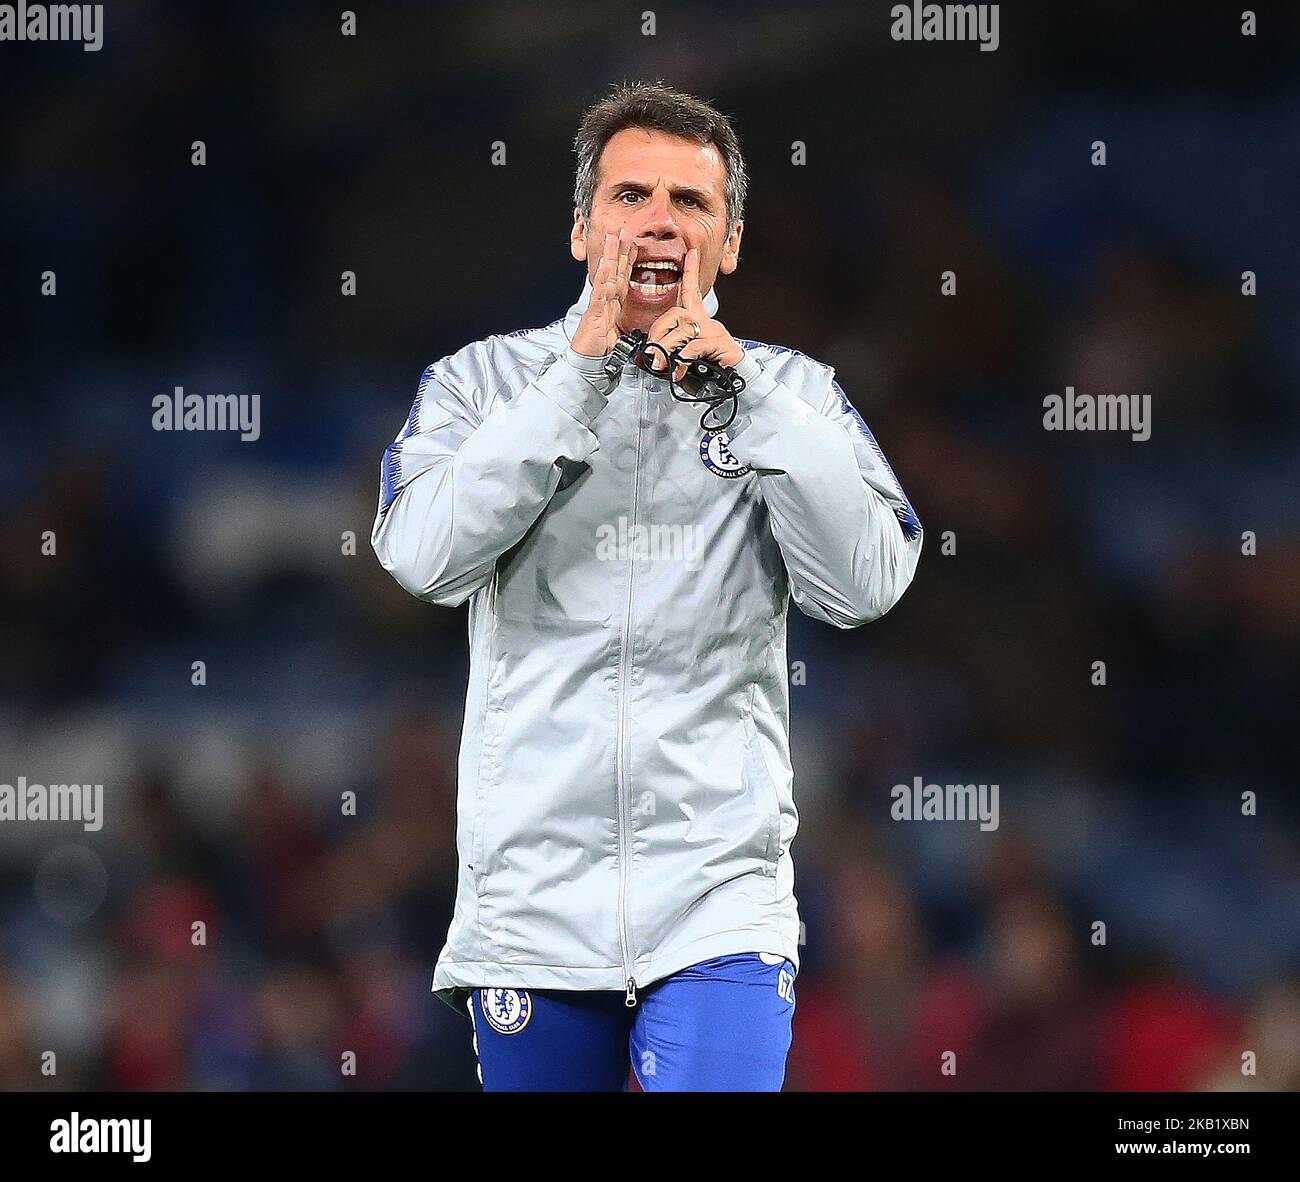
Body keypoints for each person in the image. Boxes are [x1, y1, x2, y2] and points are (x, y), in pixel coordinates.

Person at [370, 81, 923, 1091]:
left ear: (731, 243)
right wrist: (576, 376)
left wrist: (749, 406)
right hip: (532, 907)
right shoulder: (480, 383)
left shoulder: (796, 395)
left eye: (691, 202)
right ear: (582, 232)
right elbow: (422, 560)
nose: (660, 221)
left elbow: (868, 585)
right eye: (630, 197)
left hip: (717, 901)